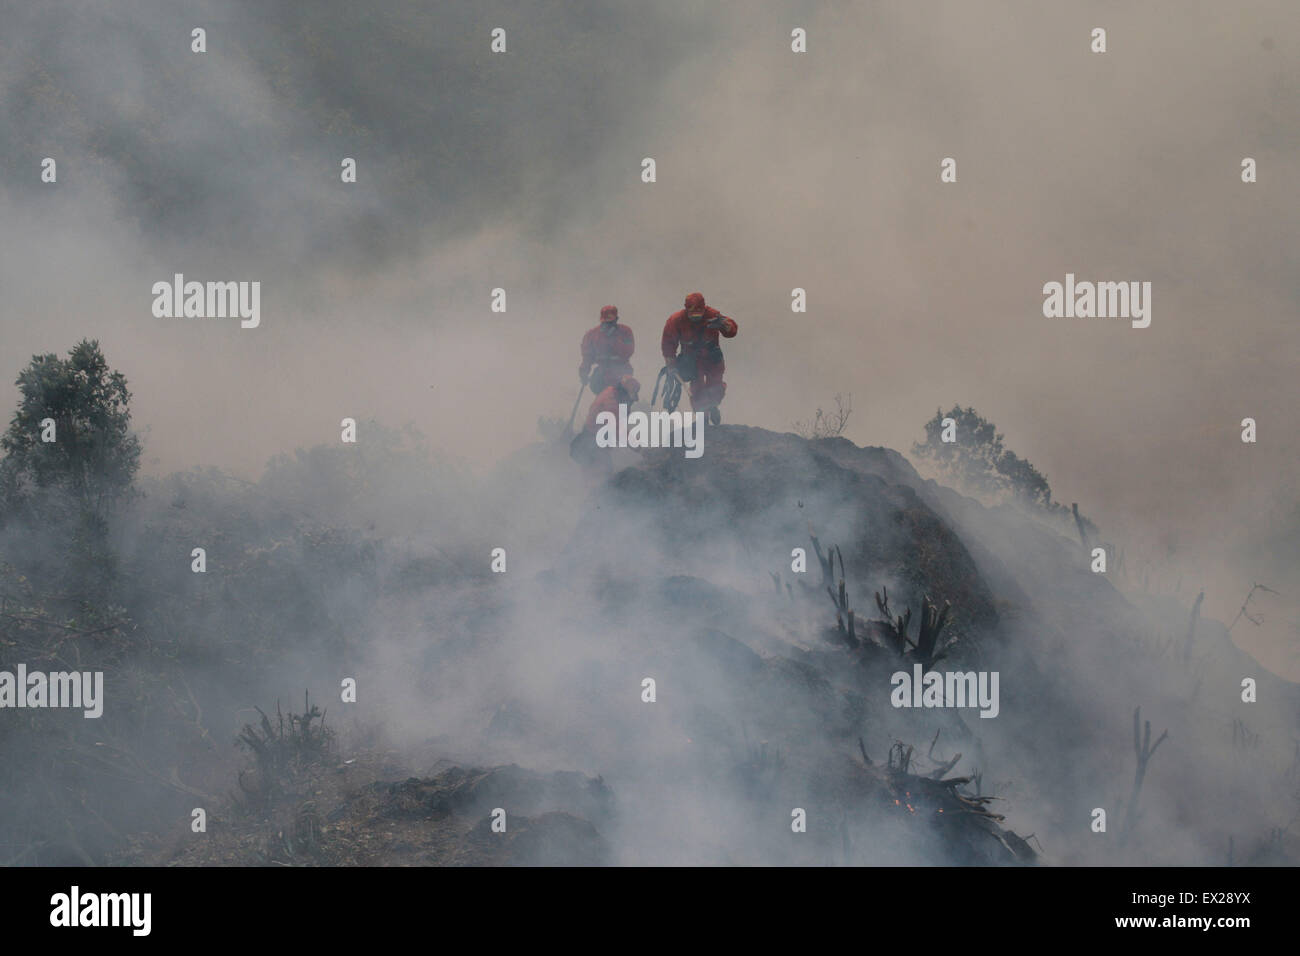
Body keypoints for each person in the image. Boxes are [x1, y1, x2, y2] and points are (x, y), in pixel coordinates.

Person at [660, 292, 737, 424]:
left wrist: (724, 325)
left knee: (716, 386)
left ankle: (713, 406)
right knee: (697, 390)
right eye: (692, 314)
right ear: (686, 309)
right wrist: (671, 363)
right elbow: (668, 343)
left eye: (698, 314)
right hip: (693, 361)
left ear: (703, 308)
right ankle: (703, 418)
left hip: (713, 358)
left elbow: (731, 331)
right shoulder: (676, 320)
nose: (696, 317)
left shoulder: (713, 315)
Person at [570, 375, 640, 474]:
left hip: (593, 441)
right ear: (624, 393)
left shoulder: (610, 392)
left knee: (599, 470)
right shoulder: (612, 404)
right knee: (601, 472)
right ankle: (593, 488)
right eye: (631, 398)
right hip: (594, 445)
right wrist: (638, 447)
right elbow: (618, 430)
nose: (631, 402)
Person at [579, 305, 635, 395]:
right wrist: (584, 373)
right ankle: (602, 407)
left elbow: (629, 351)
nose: (607, 325)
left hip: (622, 370)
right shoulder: (592, 335)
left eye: (610, 323)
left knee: (624, 398)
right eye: (605, 323)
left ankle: (624, 409)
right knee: (603, 397)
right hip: (602, 373)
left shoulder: (625, 331)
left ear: (616, 319)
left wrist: (615, 341)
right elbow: (587, 356)